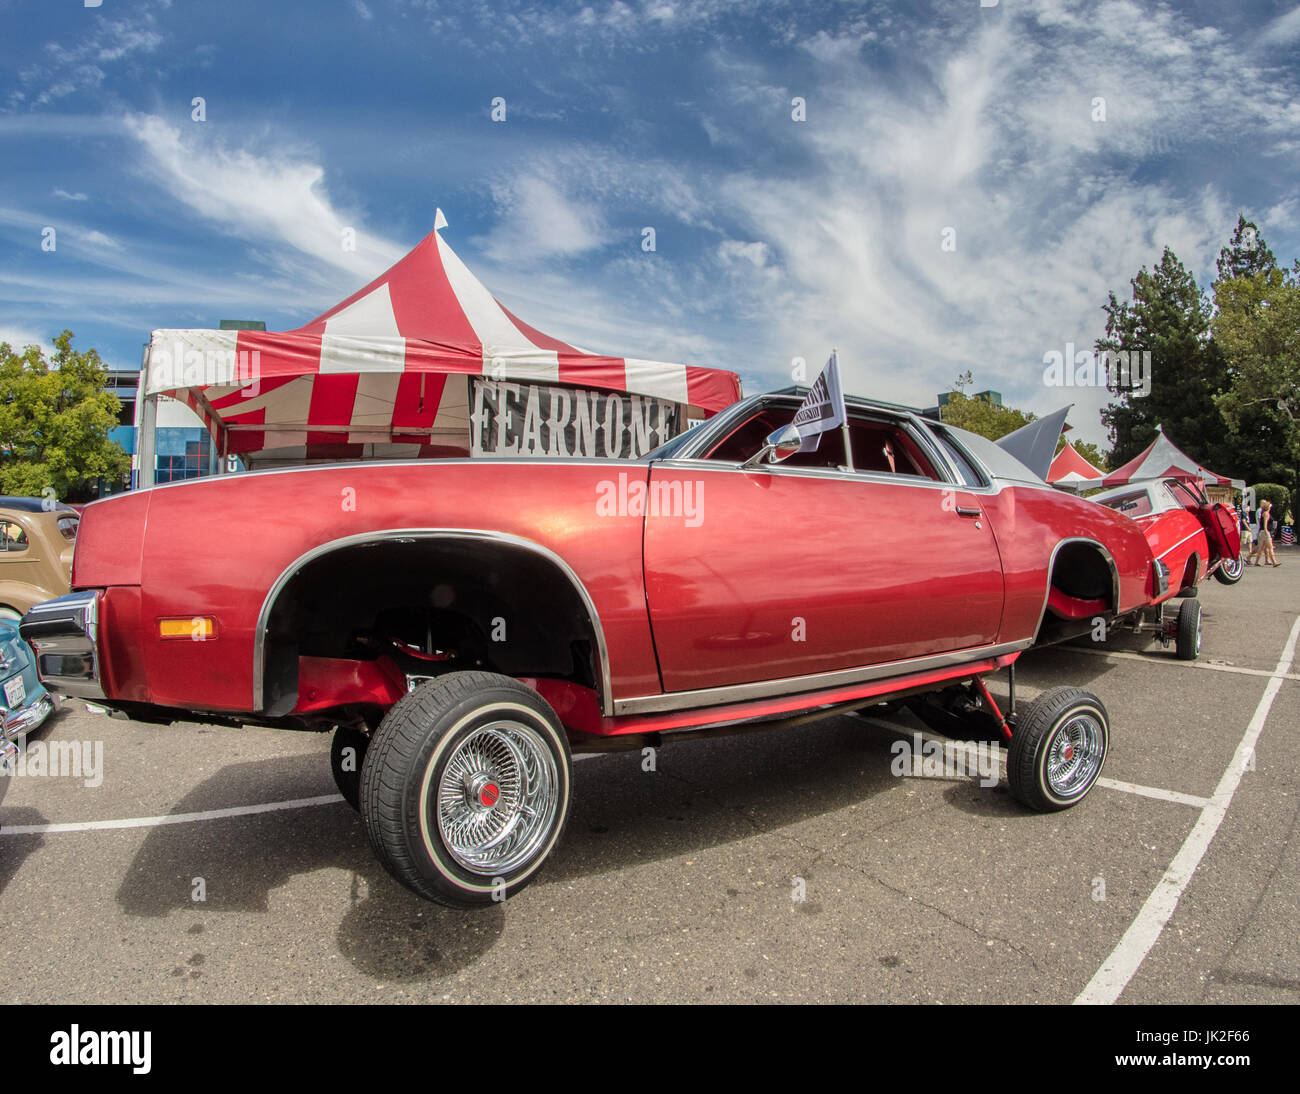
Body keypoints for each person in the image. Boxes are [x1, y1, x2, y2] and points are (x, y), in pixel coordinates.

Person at [1254, 500, 1279, 567]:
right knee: (1270, 547)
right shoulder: (1266, 514)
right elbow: (1265, 524)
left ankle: (1257, 561)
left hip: (1262, 532)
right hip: (1265, 532)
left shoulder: (1264, 513)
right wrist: (1267, 531)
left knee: (1261, 548)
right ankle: (1274, 562)